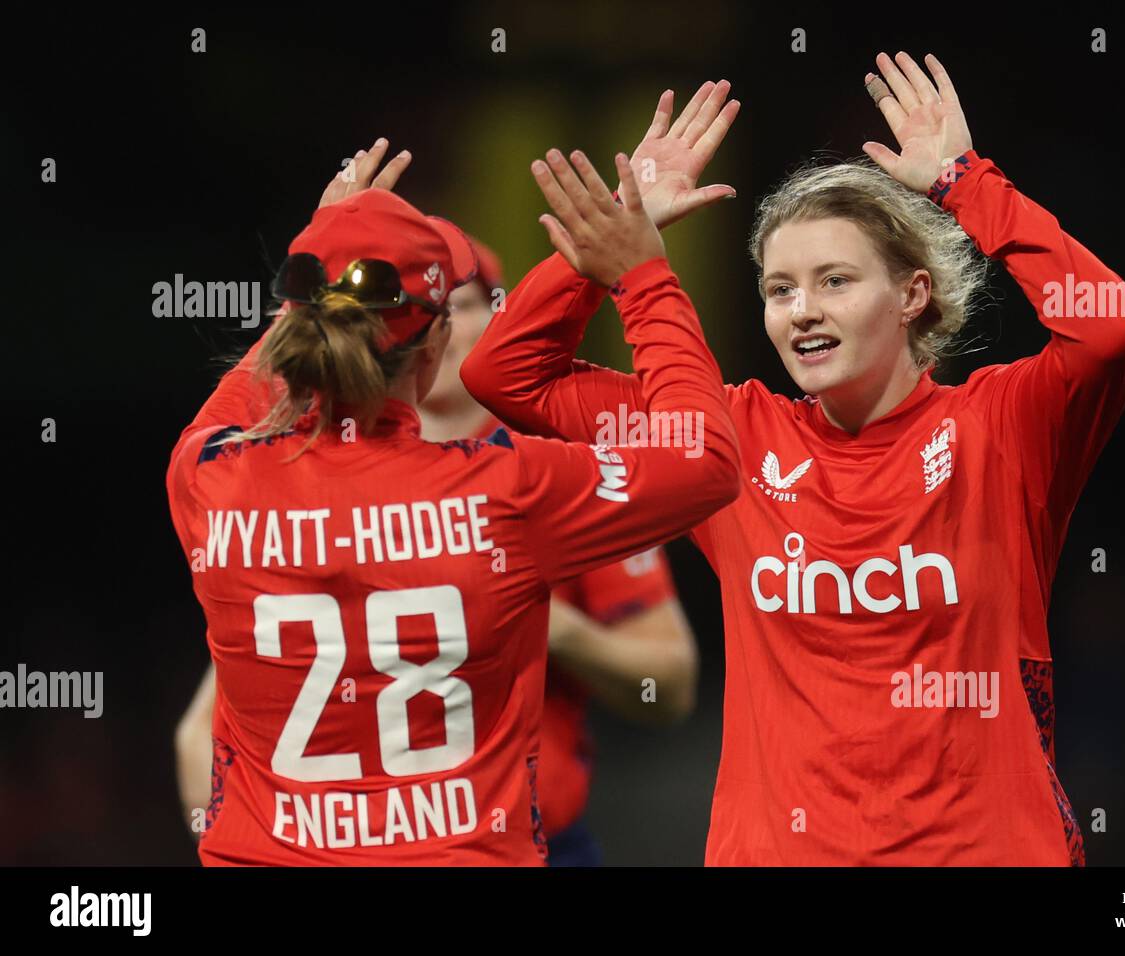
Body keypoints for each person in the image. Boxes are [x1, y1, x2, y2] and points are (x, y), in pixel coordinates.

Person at [460, 56, 1125, 865]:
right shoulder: (732, 437)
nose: (803, 312)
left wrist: (967, 182)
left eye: (834, 281)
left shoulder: (1000, 428)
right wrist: (614, 240)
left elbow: (1110, 327)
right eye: (780, 289)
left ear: (912, 294)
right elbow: (503, 374)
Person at [165, 146, 740, 864]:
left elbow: (268, 379)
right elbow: (709, 462)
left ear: (299, 326)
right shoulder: (510, 488)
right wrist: (639, 274)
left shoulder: (207, 478)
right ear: (438, 340)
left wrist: (327, 251)